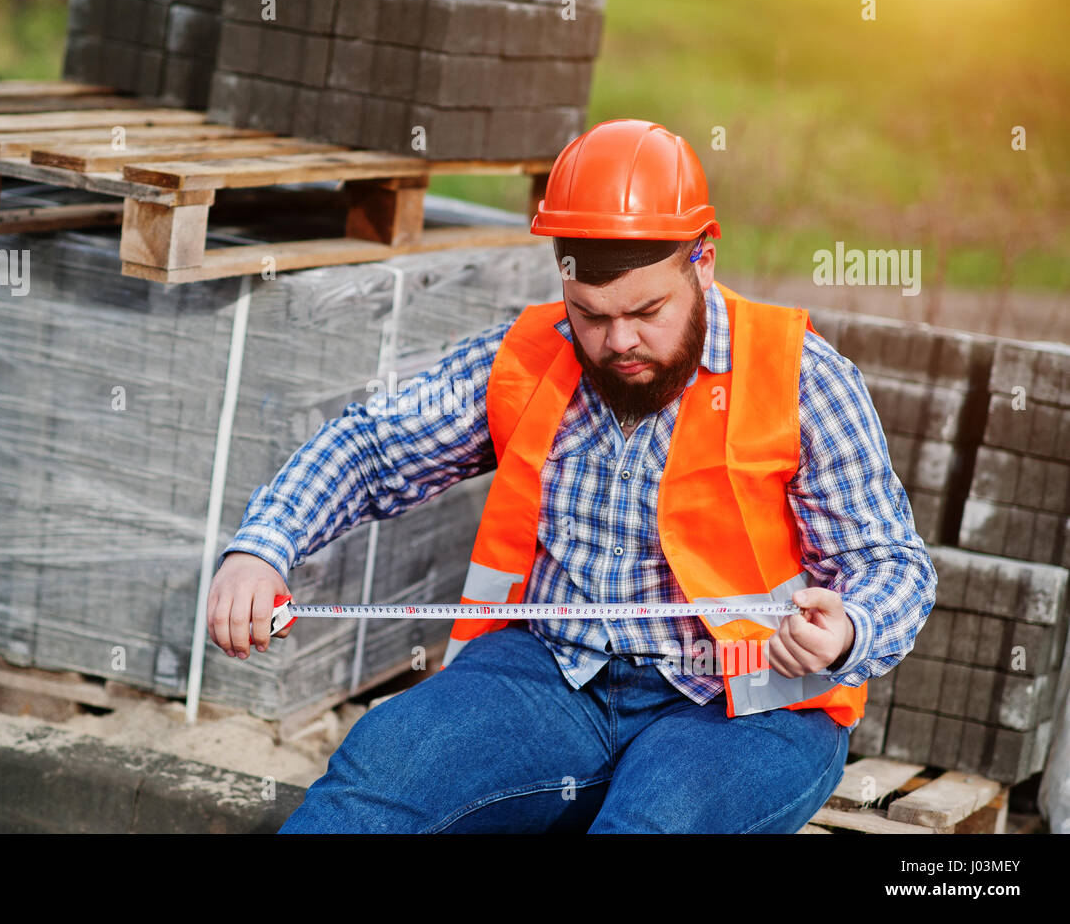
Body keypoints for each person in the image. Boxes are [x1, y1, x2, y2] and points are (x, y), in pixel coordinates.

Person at [206, 119, 937, 833]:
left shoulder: (802, 377)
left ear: (704, 260)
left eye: (646, 310)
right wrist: (263, 546)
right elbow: (372, 445)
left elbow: (891, 566)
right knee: (380, 772)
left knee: (653, 822)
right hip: (551, 676)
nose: (619, 342)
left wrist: (848, 627)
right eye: (590, 314)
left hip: (749, 708)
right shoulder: (529, 355)